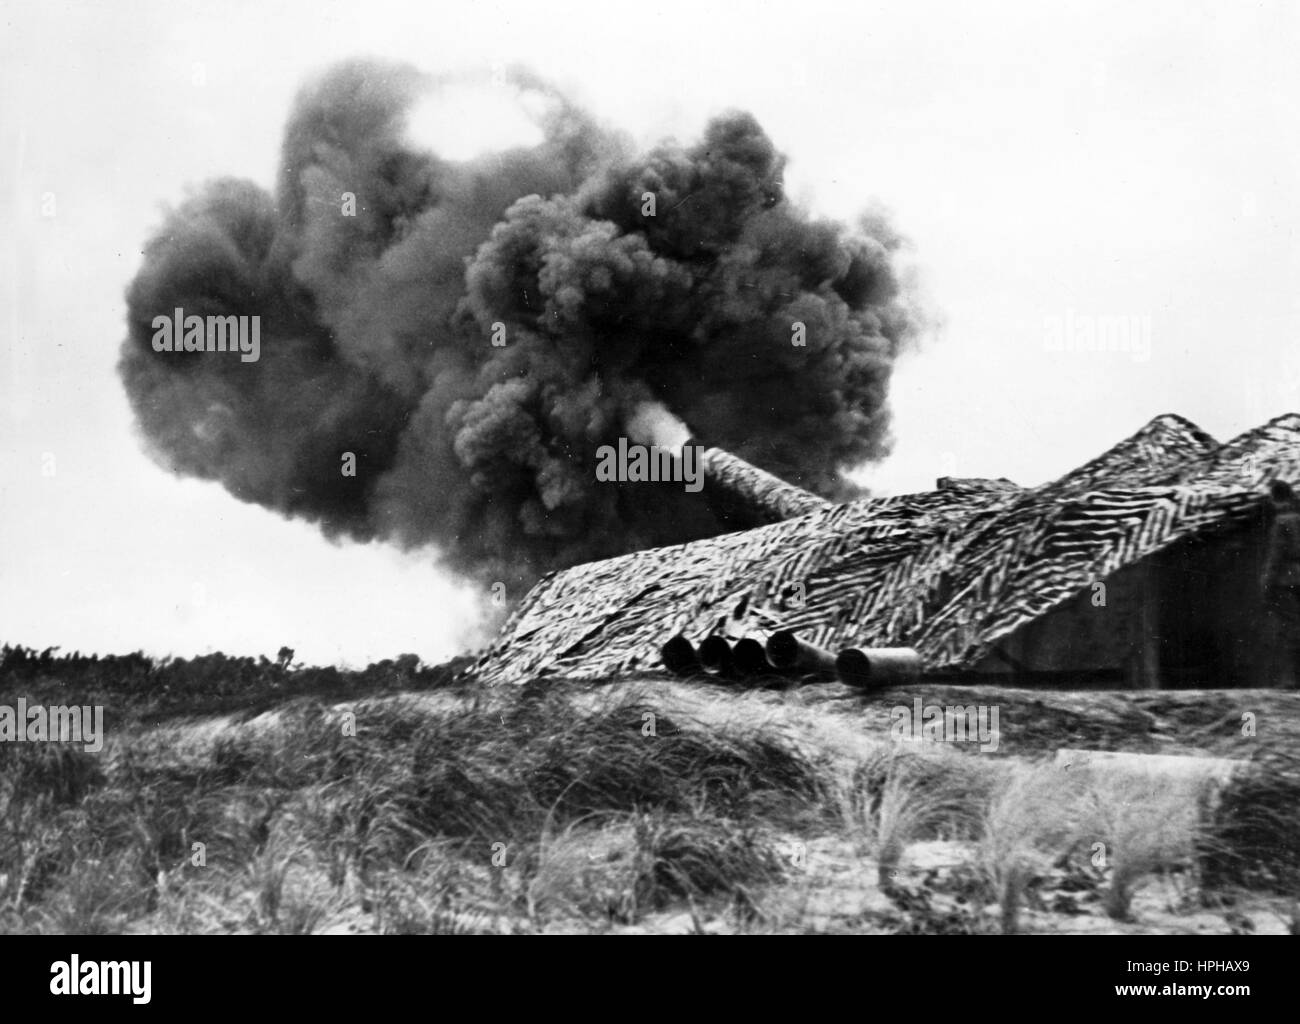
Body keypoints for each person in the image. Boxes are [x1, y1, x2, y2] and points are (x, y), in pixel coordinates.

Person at [1262, 480, 1300, 688]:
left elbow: (1276, 556)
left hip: (1288, 580)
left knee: (1290, 628)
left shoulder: (1282, 522)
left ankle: (1290, 679)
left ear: (1275, 498)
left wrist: (1266, 583)